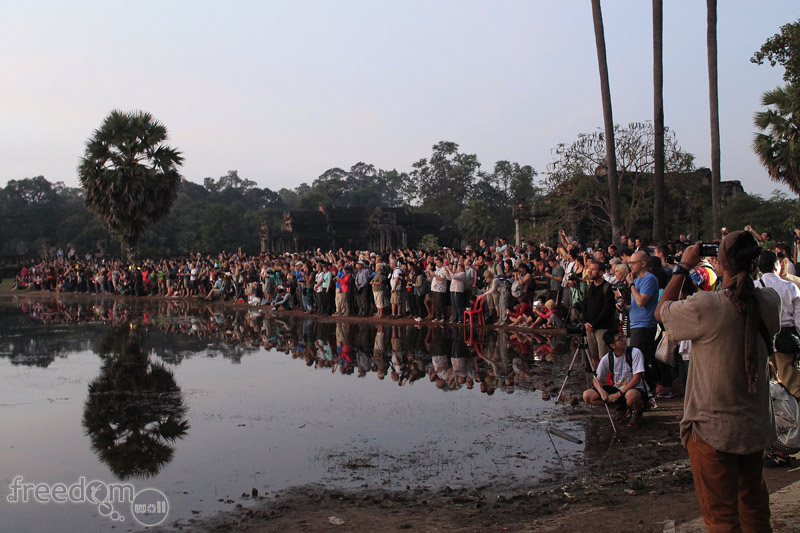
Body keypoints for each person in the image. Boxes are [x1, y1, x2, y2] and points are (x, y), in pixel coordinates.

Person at [656, 233, 781, 532]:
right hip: (754, 425)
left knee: (722, 519)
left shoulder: (707, 307)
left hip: (712, 427)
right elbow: (747, 298)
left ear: (720, 261)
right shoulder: (769, 301)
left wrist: (683, 267)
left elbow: (662, 311)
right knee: (755, 510)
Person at [758, 250, 800, 399]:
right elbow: (798, 319)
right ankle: (794, 417)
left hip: (761, 340)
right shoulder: (790, 288)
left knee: (766, 383)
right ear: (777, 266)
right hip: (786, 340)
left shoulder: (754, 287)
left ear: (759, 268)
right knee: (792, 383)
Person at [583, 329, 647, 427]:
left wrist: (618, 394)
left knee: (631, 396)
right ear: (612, 346)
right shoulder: (607, 358)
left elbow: (637, 378)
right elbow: (596, 379)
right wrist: (602, 392)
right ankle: (621, 408)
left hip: (635, 389)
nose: (623, 340)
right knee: (587, 396)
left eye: (623, 337)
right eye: (619, 339)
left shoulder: (635, 352)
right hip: (618, 388)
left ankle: (637, 412)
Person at [626, 250, 660, 394]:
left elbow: (641, 301)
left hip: (645, 324)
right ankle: (646, 387)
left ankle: (651, 387)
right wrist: (624, 306)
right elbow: (635, 304)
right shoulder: (638, 280)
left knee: (642, 359)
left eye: (633, 263)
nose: (630, 266)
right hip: (635, 323)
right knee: (637, 358)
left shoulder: (649, 279)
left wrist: (631, 285)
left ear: (643, 263)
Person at [582, 261, 617, 369]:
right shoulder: (589, 287)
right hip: (589, 327)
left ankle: (606, 381)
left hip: (602, 327)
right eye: (590, 269)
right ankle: (597, 379)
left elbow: (607, 309)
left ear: (601, 272)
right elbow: (584, 306)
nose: (590, 272)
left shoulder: (607, 288)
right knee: (593, 355)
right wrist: (585, 322)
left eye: (593, 269)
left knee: (604, 357)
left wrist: (594, 323)